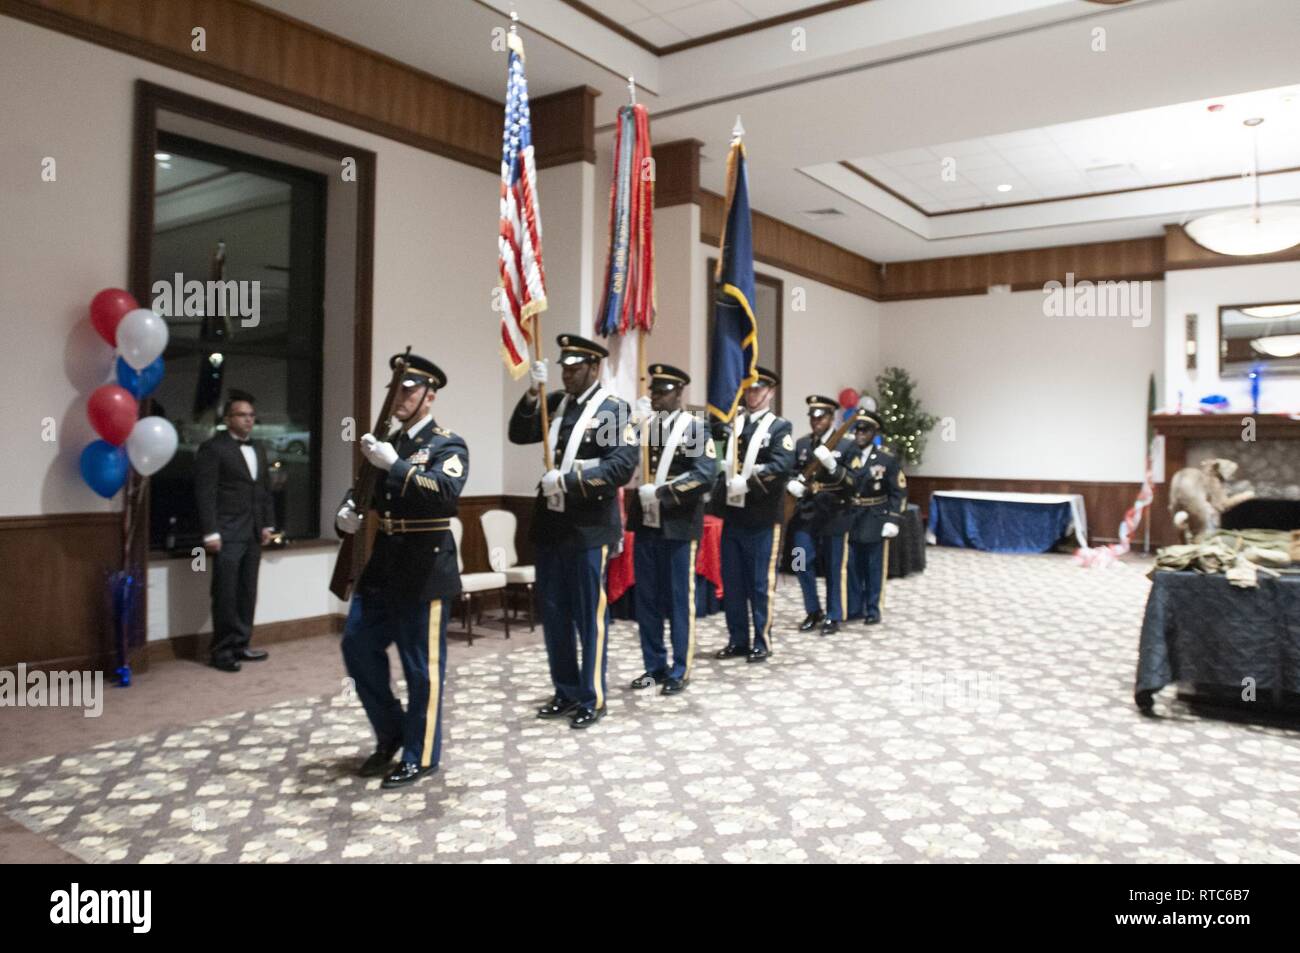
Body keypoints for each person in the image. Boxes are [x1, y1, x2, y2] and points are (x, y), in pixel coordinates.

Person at [336, 353, 468, 789]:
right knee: (357, 645)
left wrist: (394, 464)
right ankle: (392, 732)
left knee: (421, 667)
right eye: (395, 389)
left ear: (429, 397)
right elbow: (363, 493)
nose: (399, 397)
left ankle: (422, 752)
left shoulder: (448, 444)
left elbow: (445, 493)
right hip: (385, 562)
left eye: (409, 390)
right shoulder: (386, 443)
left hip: (426, 566)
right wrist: (347, 513)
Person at [508, 334, 638, 728]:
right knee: (555, 614)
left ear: (595, 368)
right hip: (551, 524)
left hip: (589, 526)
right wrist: (532, 391)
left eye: (575, 367)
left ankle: (592, 695)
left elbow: (620, 467)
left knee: (588, 614)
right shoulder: (555, 402)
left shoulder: (612, 410)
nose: (567, 374)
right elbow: (519, 432)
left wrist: (569, 482)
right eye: (563, 367)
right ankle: (564, 690)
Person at [626, 364, 717, 695]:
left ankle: (681, 667)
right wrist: (632, 423)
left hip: (678, 523)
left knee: (679, 599)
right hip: (647, 523)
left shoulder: (693, 429)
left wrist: (664, 493)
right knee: (647, 599)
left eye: (663, 392)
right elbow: (622, 456)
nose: (656, 397)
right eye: (654, 391)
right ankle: (654, 666)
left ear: (679, 393)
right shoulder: (646, 427)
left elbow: (705, 473)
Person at [712, 367, 795, 663]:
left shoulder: (779, 428)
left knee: (760, 584)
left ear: (771, 392)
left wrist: (747, 481)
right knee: (733, 583)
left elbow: (781, 466)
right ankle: (737, 639)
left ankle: (762, 640)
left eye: (758, 389)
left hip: (762, 516)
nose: (752, 394)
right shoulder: (734, 425)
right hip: (734, 515)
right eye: (749, 389)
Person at [195, 391, 277, 672]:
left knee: (246, 592)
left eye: (252, 415)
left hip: (253, 531)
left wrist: (267, 524)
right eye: (242, 415)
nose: (248, 420)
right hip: (226, 533)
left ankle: (241, 644)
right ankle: (221, 652)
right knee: (225, 594)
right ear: (228, 419)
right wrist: (210, 532)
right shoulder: (213, 448)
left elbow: (264, 491)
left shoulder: (260, 448)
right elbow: (205, 494)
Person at [786, 397, 857, 636]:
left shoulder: (846, 445)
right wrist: (794, 484)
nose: (816, 422)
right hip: (806, 515)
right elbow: (794, 471)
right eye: (812, 417)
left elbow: (853, 484)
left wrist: (833, 467)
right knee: (800, 561)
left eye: (821, 417)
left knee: (833, 568)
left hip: (834, 514)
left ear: (832, 418)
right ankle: (812, 609)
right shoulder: (803, 443)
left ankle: (833, 614)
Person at [847, 411, 906, 626]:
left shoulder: (886, 458)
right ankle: (854, 607)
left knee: (873, 567)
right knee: (852, 566)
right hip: (852, 517)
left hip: (875, 517)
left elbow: (899, 491)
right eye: (857, 429)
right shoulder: (848, 453)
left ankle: (873, 608)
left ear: (874, 432)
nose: (860, 434)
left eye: (865, 430)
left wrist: (893, 519)